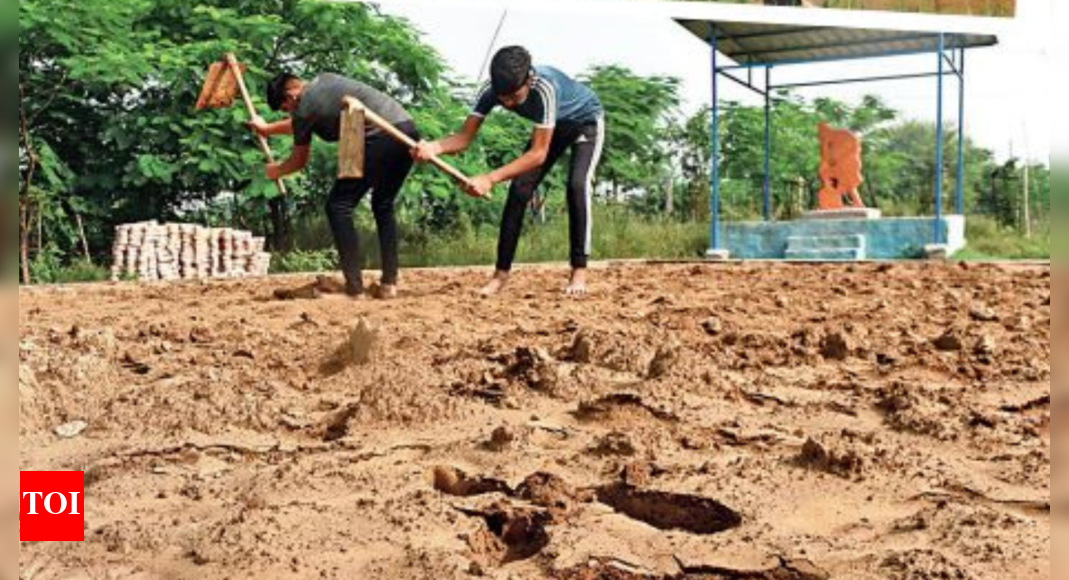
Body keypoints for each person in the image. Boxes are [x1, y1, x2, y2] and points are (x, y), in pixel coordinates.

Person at [413, 46, 605, 296]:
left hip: (584, 123)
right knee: (519, 189)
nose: (507, 102)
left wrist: (490, 178)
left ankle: (579, 270)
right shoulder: (491, 90)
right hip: (551, 127)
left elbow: (538, 154)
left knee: (577, 185)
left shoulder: (544, 88)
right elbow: (463, 138)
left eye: (514, 97)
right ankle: (500, 275)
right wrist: (433, 147)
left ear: (529, 79)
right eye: (502, 97)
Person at [248, 72, 419, 299]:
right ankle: (389, 284)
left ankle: (355, 289)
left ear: (290, 95)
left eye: (285, 108)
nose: (289, 112)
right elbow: (300, 125)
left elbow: (298, 161)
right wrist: (267, 129)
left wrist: (275, 171)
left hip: (379, 136)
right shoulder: (323, 84)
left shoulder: (304, 107)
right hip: (406, 130)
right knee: (383, 203)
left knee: (338, 206)